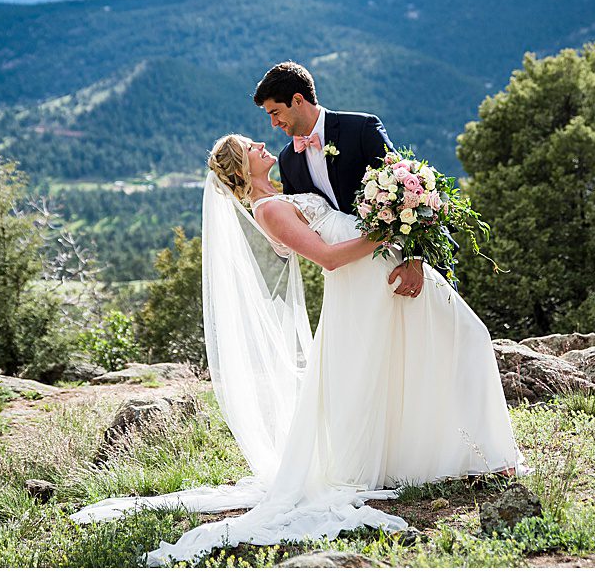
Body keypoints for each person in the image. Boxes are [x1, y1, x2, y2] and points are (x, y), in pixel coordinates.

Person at [69, 133, 531, 566]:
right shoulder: (269, 209)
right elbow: (327, 257)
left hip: (377, 273)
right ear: (241, 168)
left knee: (425, 356)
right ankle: (484, 457)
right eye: (250, 146)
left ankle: (470, 454)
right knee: (454, 344)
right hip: (364, 281)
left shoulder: (282, 191)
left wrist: (397, 224)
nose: (262, 143)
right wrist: (389, 229)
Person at [253, 60, 439, 298]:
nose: (273, 123)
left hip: (404, 264)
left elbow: (410, 192)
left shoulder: (362, 128)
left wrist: (415, 259)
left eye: (275, 113)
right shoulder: (288, 160)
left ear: (298, 100)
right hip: (352, 278)